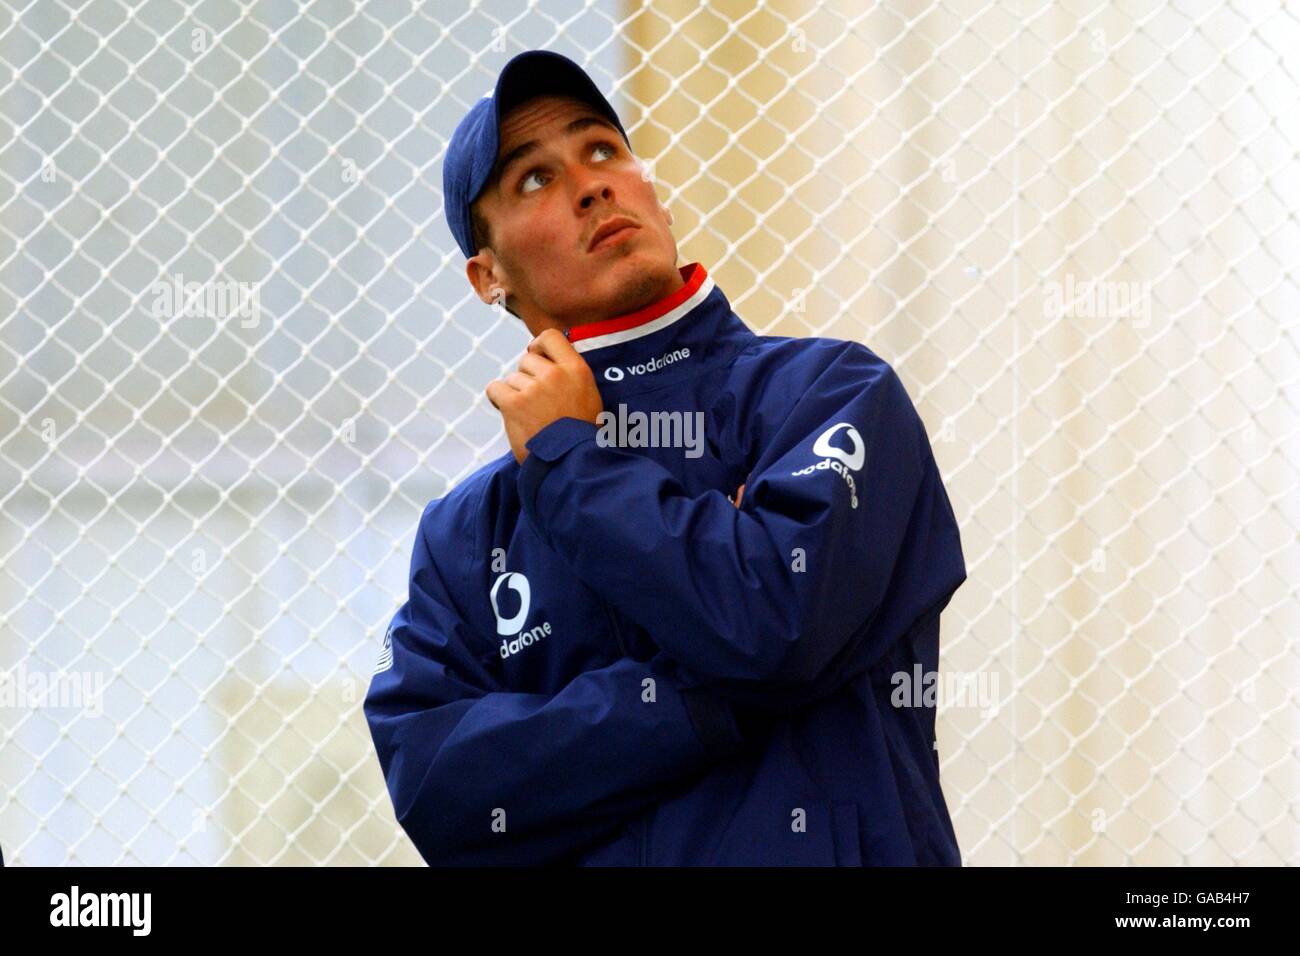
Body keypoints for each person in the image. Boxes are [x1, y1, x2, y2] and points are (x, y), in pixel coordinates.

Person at [363, 49, 968, 866]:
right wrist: (706, 699)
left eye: (602, 149)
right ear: (487, 275)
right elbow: (442, 790)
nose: (591, 185)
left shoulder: (832, 392)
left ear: (655, 193)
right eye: (535, 178)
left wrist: (571, 463)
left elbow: (772, 626)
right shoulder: (468, 532)